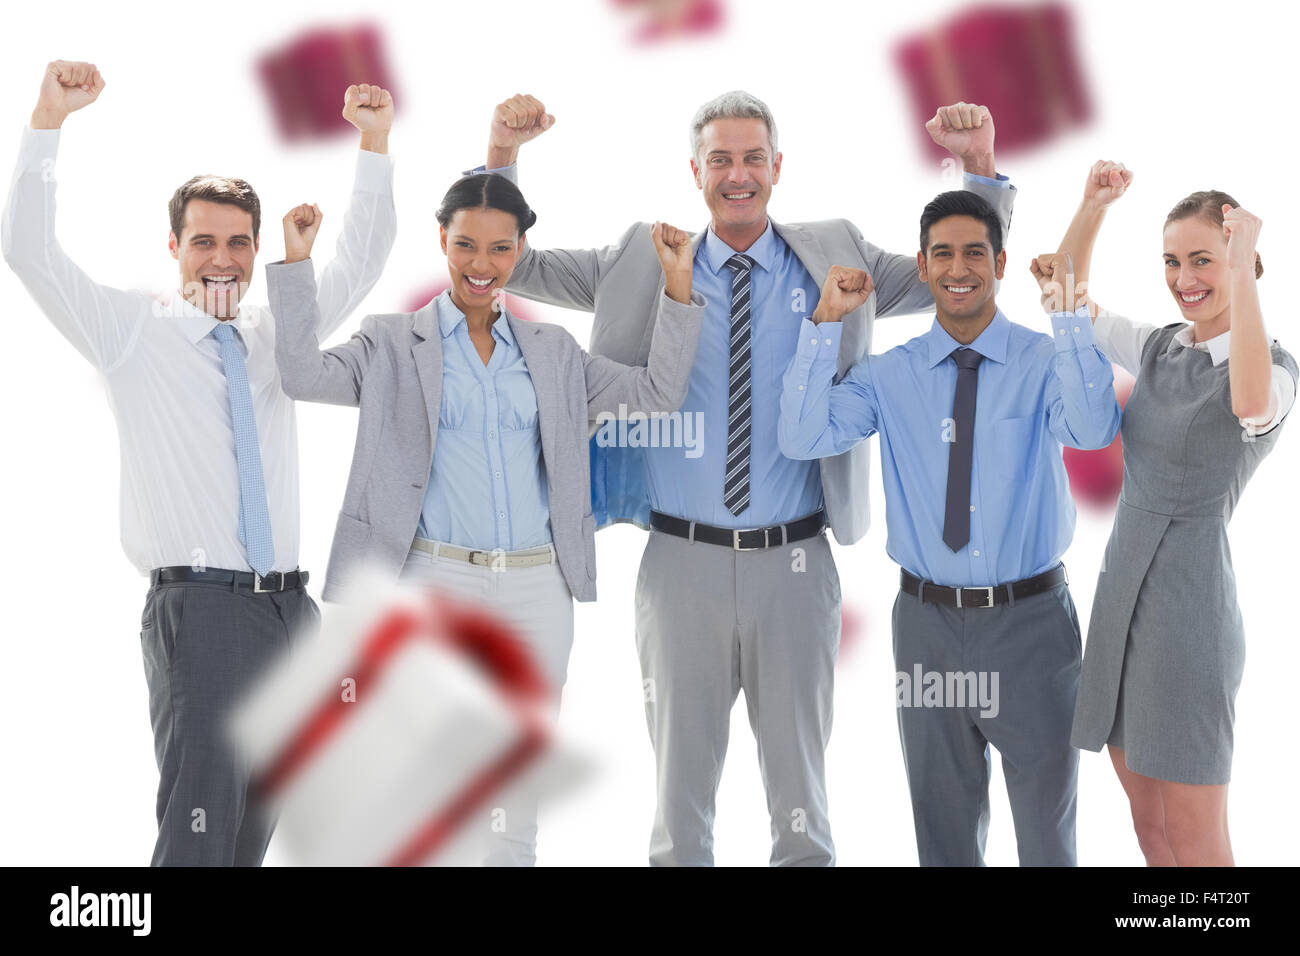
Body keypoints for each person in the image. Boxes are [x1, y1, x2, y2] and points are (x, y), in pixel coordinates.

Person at [464, 92, 1017, 867]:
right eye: (720, 159)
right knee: (679, 810)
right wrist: (501, 157)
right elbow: (506, 260)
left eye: (753, 157)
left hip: (794, 566)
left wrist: (981, 170)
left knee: (803, 812)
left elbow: (955, 281)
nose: (738, 174)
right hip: (677, 564)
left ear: (777, 168)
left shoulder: (837, 253)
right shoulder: (641, 258)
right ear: (695, 172)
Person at [1, 60, 397, 866]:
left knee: (250, 839)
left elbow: (358, 263)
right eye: (205, 242)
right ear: (174, 246)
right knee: (199, 834)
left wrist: (375, 145)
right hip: (202, 611)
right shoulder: (130, 332)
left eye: (239, 243)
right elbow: (28, 251)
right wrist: (49, 121)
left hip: (291, 613)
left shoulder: (270, 335)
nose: (224, 259)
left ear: (256, 250)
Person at [265, 172, 704, 866]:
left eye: (500, 249)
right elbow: (302, 375)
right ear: (441, 240)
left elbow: (655, 394)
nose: (480, 264)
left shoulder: (554, 353)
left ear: (520, 250)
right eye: (465, 245)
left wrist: (677, 288)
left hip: (537, 590)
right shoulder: (389, 344)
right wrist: (295, 266)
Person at [779, 190, 1122, 866]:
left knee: (1048, 838)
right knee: (943, 835)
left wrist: (1068, 321)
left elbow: (1093, 428)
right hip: (927, 628)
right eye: (943, 254)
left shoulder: (1042, 359)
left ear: (999, 262)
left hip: (1033, 629)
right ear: (923, 265)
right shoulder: (890, 374)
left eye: (974, 253)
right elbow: (801, 433)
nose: (958, 267)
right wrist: (823, 324)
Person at [1034, 161, 1297, 866]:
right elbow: (1067, 304)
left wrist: (1238, 273)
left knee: (1195, 836)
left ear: (1243, 261)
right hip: (1122, 598)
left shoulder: (1271, 370)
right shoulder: (1158, 347)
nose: (1185, 278)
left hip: (1188, 615)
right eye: (1173, 261)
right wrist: (1092, 206)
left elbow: (1246, 402)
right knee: (1149, 828)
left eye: (1203, 260)